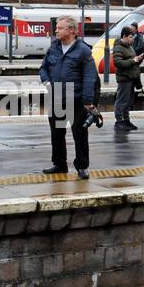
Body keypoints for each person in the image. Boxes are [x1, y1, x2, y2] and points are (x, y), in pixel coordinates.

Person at [39, 15, 97, 179]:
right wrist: (46, 82)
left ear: (71, 30)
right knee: (56, 132)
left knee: (79, 134)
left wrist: (88, 101)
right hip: (57, 96)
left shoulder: (83, 50)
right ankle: (59, 164)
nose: (56, 30)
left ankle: (82, 166)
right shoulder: (54, 48)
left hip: (76, 99)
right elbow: (43, 68)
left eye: (60, 28)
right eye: (56, 27)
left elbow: (89, 77)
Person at [112, 26, 144, 131]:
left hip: (131, 78)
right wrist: (133, 60)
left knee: (128, 101)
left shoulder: (129, 46)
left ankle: (126, 120)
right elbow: (118, 63)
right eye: (130, 37)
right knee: (122, 100)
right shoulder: (118, 47)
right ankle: (119, 121)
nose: (132, 39)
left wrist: (138, 59)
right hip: (124, 78)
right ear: (124, 36)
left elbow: (132, 60)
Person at [129, 22, 144, 92]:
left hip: (138, 55)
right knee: (135, 69)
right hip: (133, 55)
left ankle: (138, 86)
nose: (131, 29)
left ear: (136, 28)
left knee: (136, 69)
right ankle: (137, 85)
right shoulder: (131, 35)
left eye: (132, 28)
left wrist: (133, 52)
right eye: (131, 28)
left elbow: (140, 46)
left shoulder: (139, 35)